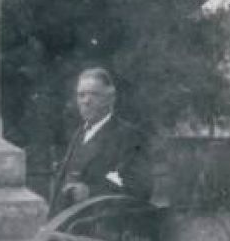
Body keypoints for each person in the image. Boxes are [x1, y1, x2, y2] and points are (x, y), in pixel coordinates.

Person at [48, 67, 152, 218]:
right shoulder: (78, 135)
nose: (86, 101)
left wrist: (90, 192)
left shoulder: (128, 136)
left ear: (110, 98)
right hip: (69, 225)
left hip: (103, 225)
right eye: (81, 95)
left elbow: (140, 188)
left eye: (94, 95)